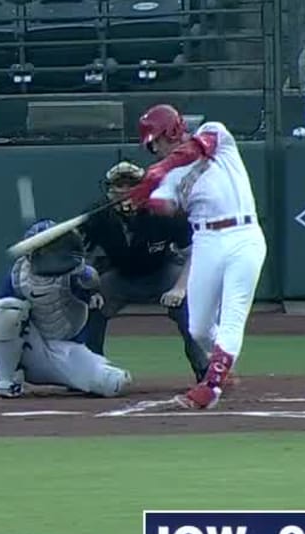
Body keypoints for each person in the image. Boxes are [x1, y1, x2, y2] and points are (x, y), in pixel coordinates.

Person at [123, 103, 265, 410]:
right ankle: (222, 365)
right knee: (198, 328)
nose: (155, 149)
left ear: (171, 130)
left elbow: (196, 149)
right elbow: (167, 205)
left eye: (157, 141)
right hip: (206, 241)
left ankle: (210, 388)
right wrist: (143, 199)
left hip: (243, 235)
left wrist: (158, 171)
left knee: (232, 313)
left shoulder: (214, 132)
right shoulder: (170, 177)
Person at [78, 160, 210, 384]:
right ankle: (94, 372)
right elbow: (81, 257)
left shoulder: (164, 213)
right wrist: (91, 291)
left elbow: (195, 252)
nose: (124, 191)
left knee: (190, 305)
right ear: (108, 189)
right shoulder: (97, 216)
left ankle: (205, 371)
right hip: (120, 275)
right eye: (118, 186)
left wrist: (179, 288)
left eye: (131, 185)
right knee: (90, 307)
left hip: (162, 272)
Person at [0, 219, 134, 400]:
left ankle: (72, 378)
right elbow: (0, 321)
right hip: (29, 351)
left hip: (66, 351)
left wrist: (84, 274)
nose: (54, 254)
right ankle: (8, 381)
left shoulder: (75, 274)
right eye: (48, 249)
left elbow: (91, 283)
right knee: (6, 308)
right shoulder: (17, 276)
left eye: (57, 248)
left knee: (115, 383)